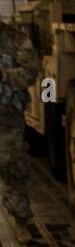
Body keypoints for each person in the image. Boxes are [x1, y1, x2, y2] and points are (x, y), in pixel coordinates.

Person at [0, 16, 40, 233]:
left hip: (7, 116)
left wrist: (4, 75)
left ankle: (21, 221)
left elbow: (31, 73)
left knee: (13, 166)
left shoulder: (17, 40)